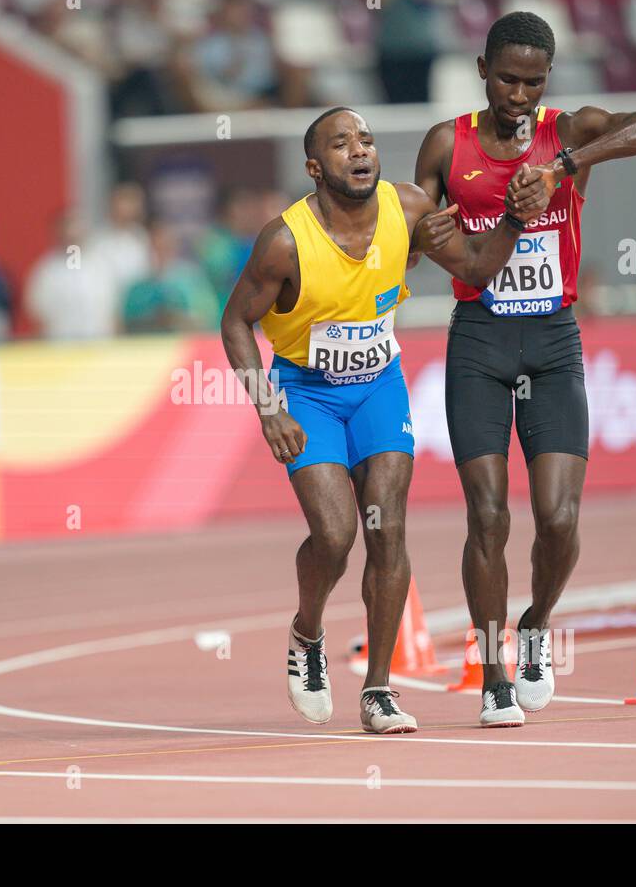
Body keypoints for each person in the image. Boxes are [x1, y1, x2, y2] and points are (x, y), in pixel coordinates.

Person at [221, 106, 549, 734]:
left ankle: (378, 690)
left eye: (366, 139)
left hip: (378, 385)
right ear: (316, 168)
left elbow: (477, 268)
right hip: (308, 394)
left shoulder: (409, 208)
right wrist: (268, 409)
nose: (360, 150)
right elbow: (235, 322)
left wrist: (512, 217)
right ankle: (307, 632)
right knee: (337, 535)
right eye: (341, 145)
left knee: (389, 530)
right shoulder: (284, 241)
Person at [414, 11, 636, 726]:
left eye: (533, 82)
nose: (519, 95)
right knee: (488, 514)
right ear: (482, 71)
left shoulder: (573, 131)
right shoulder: (447, 143)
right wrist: (422, 240)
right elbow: (413, 240)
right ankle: (493, 670)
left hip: (554, 343)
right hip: (480, 342)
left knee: (557, 518)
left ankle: (536, 624)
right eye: (506, 79)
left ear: (548, 78)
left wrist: (561, 168)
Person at [25, 212, 121, 341]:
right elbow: (38, 317)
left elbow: (114, 312)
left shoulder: (101, 266)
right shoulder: (45, 272)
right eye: (66, 231)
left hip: (100, 348)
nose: (72, 236)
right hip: (60, 350)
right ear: (57, 234)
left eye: (76, 230)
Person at [123, 220, 218, 333]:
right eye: (156, 248)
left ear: (174, 248)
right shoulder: (137, 289)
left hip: (185, 346)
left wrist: (176, 319)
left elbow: (207, 321)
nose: (160, 253)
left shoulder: (193, 281)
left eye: (165, 247)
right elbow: (126, 325)